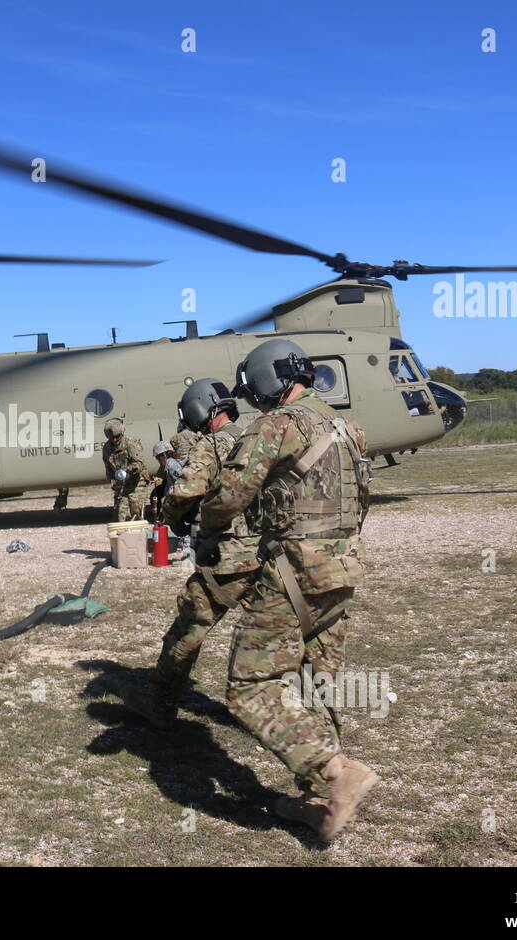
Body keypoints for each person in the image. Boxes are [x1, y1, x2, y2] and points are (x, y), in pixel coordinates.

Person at [200, 339, 377, 843]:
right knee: (313, 680)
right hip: (343, 569)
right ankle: (321, 804)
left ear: (265, 382)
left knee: (250, 685)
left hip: (293, 570)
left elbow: (231, 493)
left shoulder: (276, 425)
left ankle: (335, 773)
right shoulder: (349, 427)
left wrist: (209, 529)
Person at [117, 378, 253, 728]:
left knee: (188, 629)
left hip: (227, 556)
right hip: (268, 553)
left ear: (197, 410)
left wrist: (173, 519)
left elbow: (184, 492)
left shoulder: (212, 444)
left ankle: (159, 705)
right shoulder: (256, 436)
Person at [101, 419, 150, 521]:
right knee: (121, 516)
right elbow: (108, 467)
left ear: (122, 433)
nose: (115, 440)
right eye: (112, 437)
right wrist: (113, 481)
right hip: (121, 486)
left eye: (117, 436)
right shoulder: (107, 448)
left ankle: (138, 536)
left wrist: (126, 472)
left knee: (136, 514)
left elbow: (139, 464)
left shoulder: (131, 444)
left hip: (136, 483)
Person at [148, 439, 182, 522]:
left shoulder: (171, 465)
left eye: (158, 458)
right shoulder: (170, 464)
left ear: (164, 455)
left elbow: (180, 483)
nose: (158, 461)